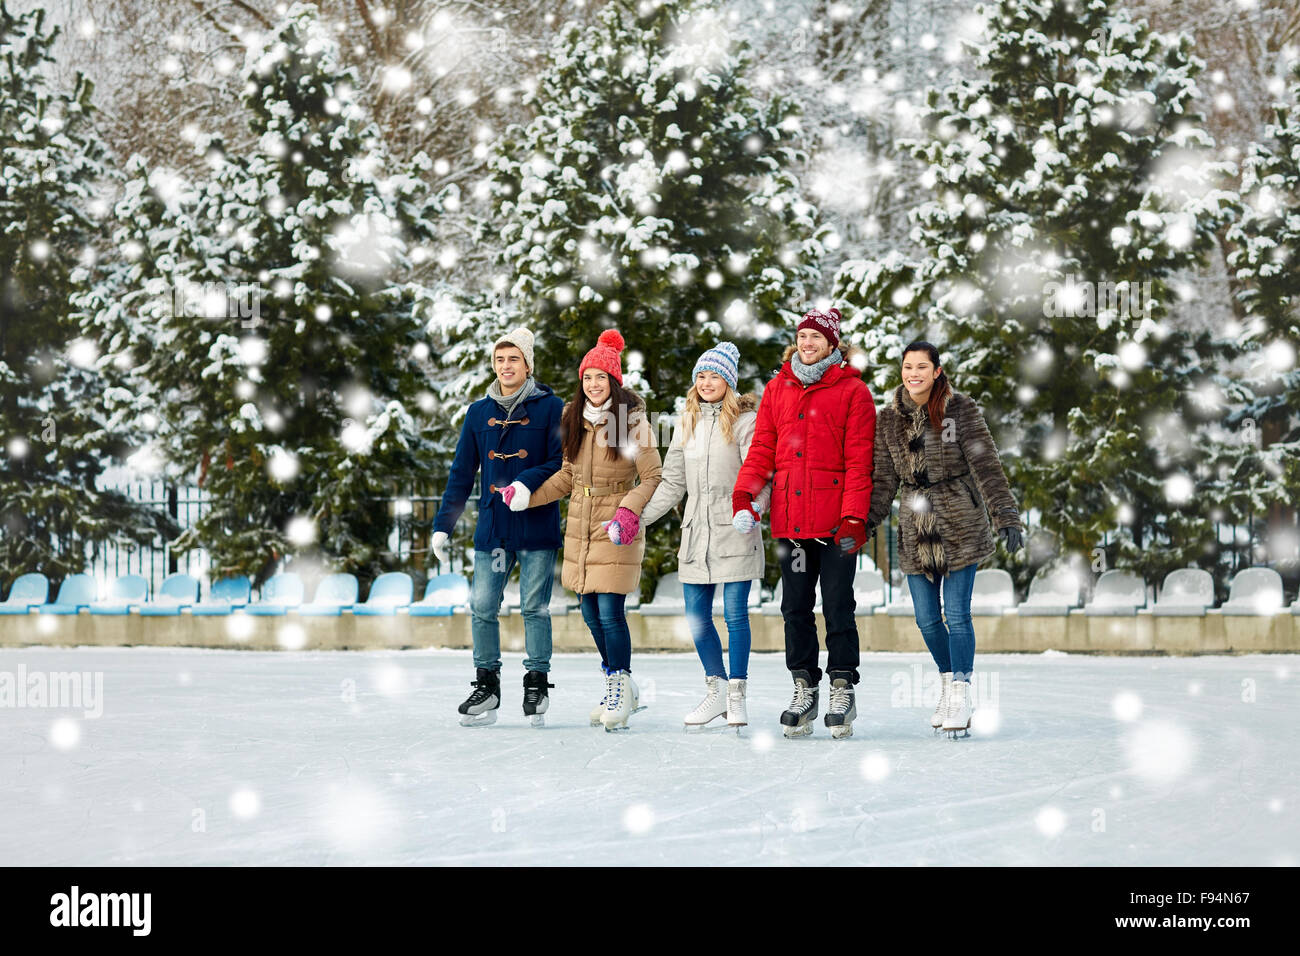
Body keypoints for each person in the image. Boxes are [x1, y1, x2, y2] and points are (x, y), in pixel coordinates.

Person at [866, 341, 1023, 738]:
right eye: (907, 366)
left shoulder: (960, 410)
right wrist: (864, 523)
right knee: (926, 618)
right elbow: (884, 480)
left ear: (937, 371)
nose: (913, 373)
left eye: (922, 366)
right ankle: (948, 678)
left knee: (956, 614)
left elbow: (985, 462)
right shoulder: (888, 419)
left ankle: (961, 690)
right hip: (915, 528)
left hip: (959, 521)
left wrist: (1005, 515)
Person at [732, 307, 876, 739]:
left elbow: (859, 461)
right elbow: (763, 449)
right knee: (794, 607)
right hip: (792, 525)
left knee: (836, 605)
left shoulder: (854, 392)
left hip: (836, 526)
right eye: (803, 336)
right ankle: (804, 686)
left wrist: (854, 517)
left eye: (817, 337)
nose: (809, 343)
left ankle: (841, 685)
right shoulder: (778, 389)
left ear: (833, 344)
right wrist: (745, 492)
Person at [510, 329, 662, 731]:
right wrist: (530, 495)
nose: (594, 385)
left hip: (616, 524)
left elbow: (653, 477)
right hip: (581, 522)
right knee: (591, 614)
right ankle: (618, 683)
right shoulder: (572, 419)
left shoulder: (633, 423)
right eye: (588, 378)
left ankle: (619, 686)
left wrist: (629, 511)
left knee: (610, 611)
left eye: (601, 377)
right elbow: (566, 478)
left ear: (615, 381)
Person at [431, 327, 565, 727]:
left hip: (537, 524)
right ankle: (487, 684)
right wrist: (443, 525)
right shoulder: (478, 412)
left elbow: (562, 463)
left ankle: (536, 681)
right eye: (500, 359)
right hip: (494, 529)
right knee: (483, 606)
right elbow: (461, 472)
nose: (506, 366)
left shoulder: (551, 407)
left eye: (514, 359)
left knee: (534, 607)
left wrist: (525, 481)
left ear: (528, 364)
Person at [641, 342, 770, 729]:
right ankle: (716, 690)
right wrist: (639, 518)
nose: (706, 382)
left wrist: (753, 509)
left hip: (736, 528)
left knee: (734, 614)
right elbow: (672, 482)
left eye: (714, 376)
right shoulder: (687, 423)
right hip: (696, 532)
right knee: (697, 617)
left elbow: (763, 474)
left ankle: (737, 695)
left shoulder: (747, 422)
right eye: (701, 376)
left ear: (728, 382)